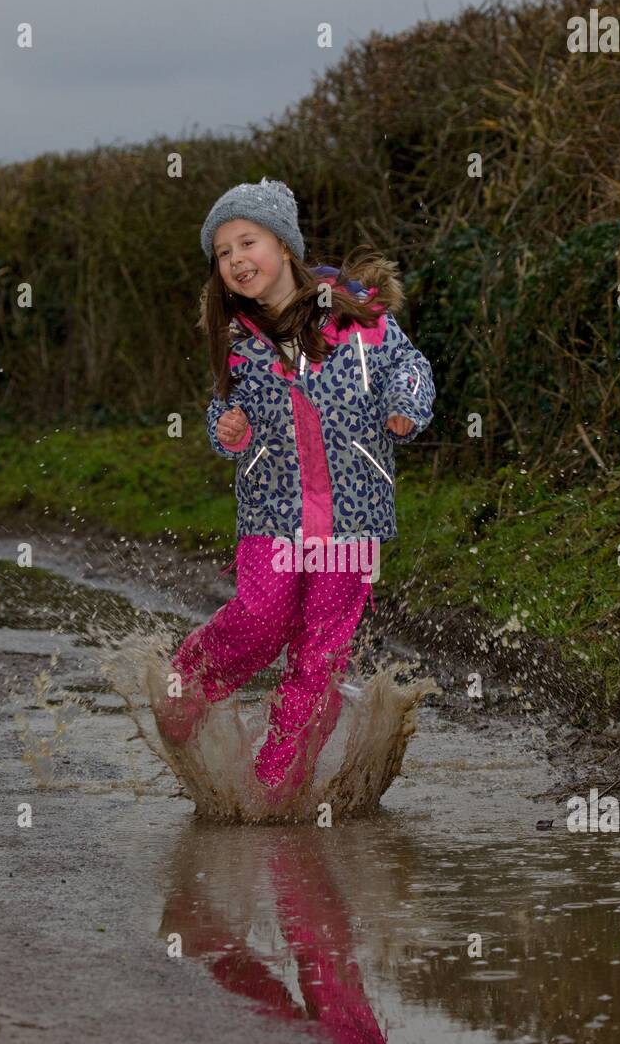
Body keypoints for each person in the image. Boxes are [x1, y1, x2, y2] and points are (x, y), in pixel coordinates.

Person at [155, 176, 435, 794]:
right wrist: (227, 429)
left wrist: (404, 406)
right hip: (272, 513)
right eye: (222, 254)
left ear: (283, 246)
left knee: (318, 653)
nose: (234, 260)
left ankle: (279, 778)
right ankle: (192, 677)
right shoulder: (239, 342)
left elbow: (410, 367)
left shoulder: (359, 320)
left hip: (353, 517)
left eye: (245, 242)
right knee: (261, 617)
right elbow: (224, 409)